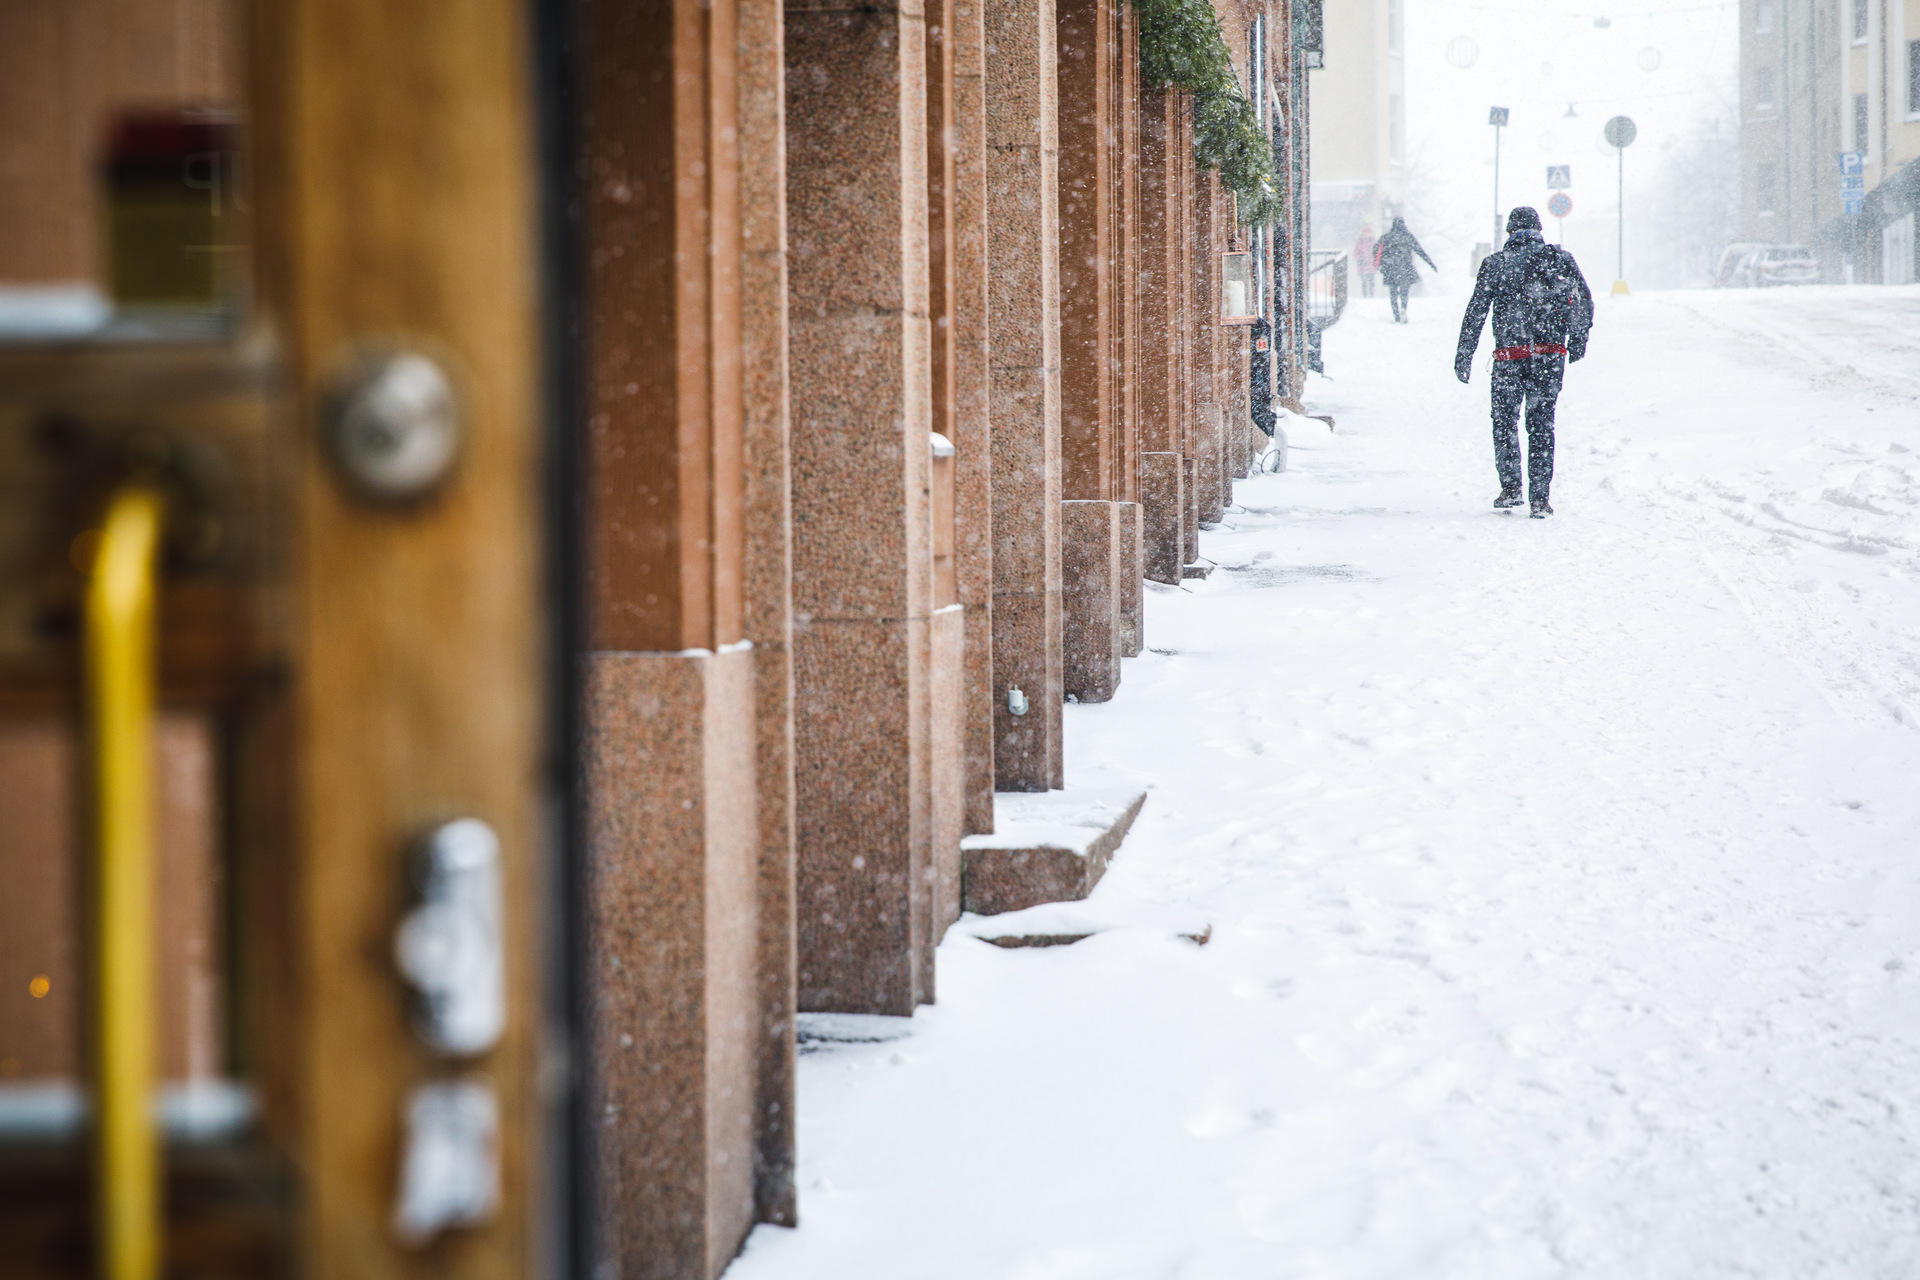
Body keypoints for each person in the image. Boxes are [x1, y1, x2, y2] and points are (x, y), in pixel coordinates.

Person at [1454, 206, 1594, 519]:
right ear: (1539, 230)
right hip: (1549, 355)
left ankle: (1511, 488)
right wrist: (1578, 342)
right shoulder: (1559, 260)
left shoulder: (1495, 264)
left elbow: (1476, 311)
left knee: (1505, 422)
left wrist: (1465, 354)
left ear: (1510, 233)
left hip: (1509, 358)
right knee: (1542, 424)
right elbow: (1583, 301)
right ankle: (1540, 499)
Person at [1374, 216, 1435, 323]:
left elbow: (1376, 250)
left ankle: (1396, 315)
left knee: (1393, 294)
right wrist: (1431, 264)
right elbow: (1419, 251)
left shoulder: (1386, 237)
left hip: (1390, 269)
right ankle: (1403, 308)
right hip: (1405, 268)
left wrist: (1381, 265)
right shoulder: (1407, 236)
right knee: (1404, 292)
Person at [1353, 224, 1378, 298]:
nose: (1367, 234)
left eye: (1368, 233)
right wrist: (1359, 259)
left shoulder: (1373, 242)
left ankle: (1371, 295)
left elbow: (1377, 252)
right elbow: (1356, 252)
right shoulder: (1360, 242)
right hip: (1363, 265)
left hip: (1371, 265)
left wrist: (1376, 261)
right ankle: (1366, 296)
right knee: (1364, 281)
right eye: (1365, 233)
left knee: (1371, 281)